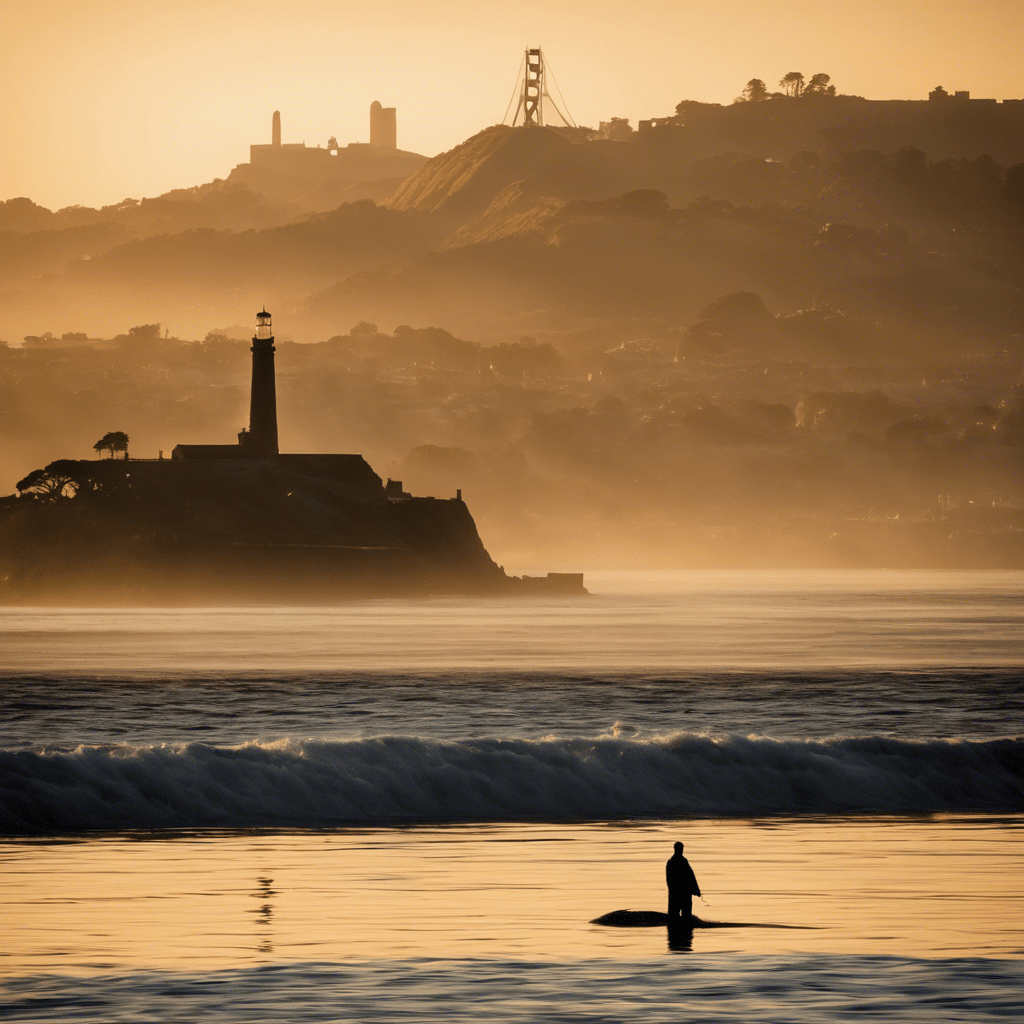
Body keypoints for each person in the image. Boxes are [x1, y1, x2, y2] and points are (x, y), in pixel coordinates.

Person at [666, 841, 700, 920]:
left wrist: (696, 890)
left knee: (684, 916)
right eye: (680, 849)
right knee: (675, 917)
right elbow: (669, 879)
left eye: (681, 849)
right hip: (677, 894)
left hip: (683, 893)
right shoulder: (672, 862)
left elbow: (691, 876)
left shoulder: (683, 862)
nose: (681, 851)